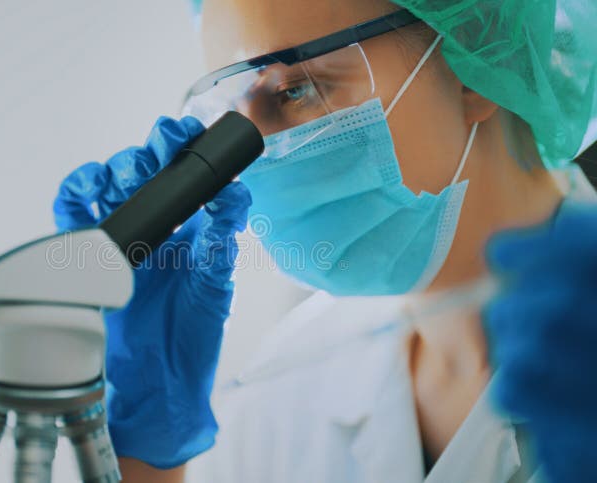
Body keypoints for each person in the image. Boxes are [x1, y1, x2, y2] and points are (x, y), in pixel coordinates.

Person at [53, 0, 597, 481]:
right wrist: (147, 452)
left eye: (296, 89)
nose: (255, 153)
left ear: (475, 62)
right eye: (230, 112)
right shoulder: (285, 392)